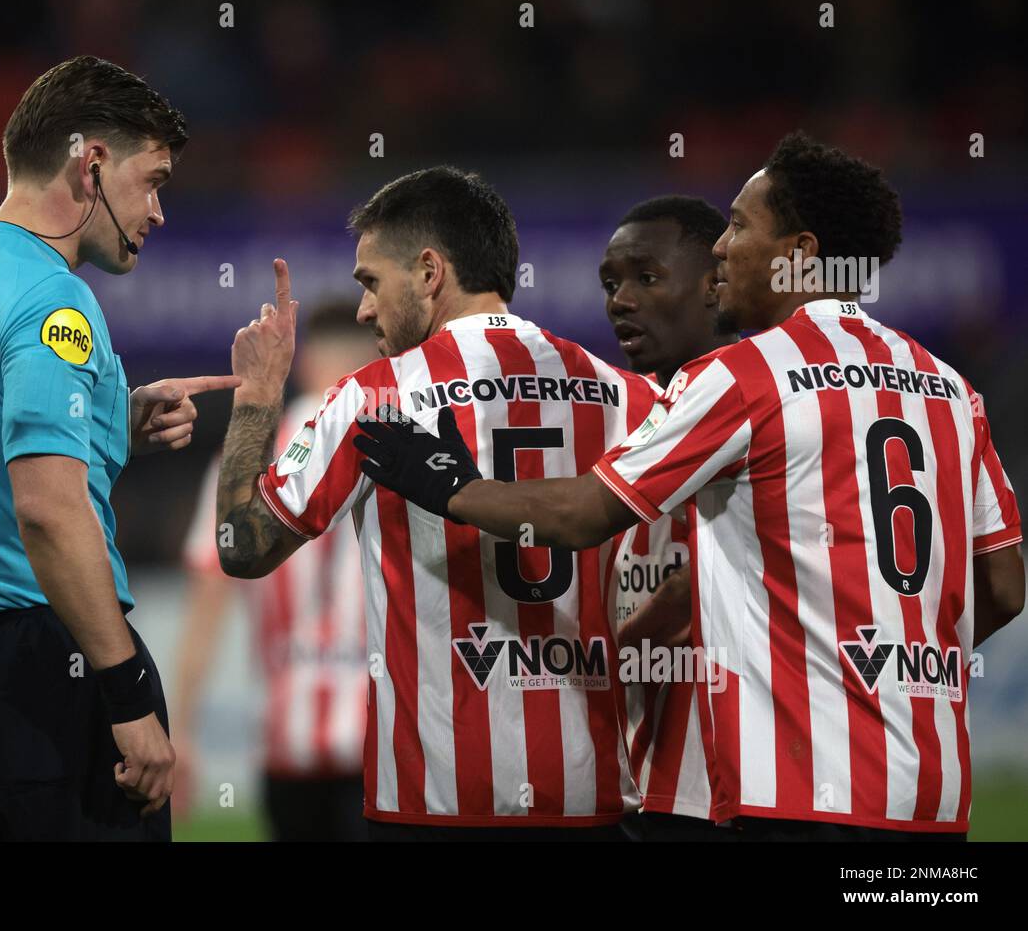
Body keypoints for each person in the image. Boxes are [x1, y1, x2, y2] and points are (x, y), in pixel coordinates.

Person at [354, 133, 1025, 840]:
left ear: (798, 253)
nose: (720, 249)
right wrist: (888, 653)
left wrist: (449, 485)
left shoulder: (747, 374)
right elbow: (1005, 587)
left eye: (738, 226)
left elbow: (582, 513)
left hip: (795, 792)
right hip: (933, 793)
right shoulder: (951, 390)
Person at [214, 167, 660, 840]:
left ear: (428, 272)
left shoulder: (373, 398)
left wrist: (255, 399)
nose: (363, 310)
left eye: (372, 282)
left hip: (433, 806)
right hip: (591, 796)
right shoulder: (632, 397)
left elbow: (241, 549)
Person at [0, 56, 238, 840]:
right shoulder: (54, 298)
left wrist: (112, 423)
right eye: (154, 179)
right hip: (47, 667)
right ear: (91, 163)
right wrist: (126, 691)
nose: (159, 211)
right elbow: (44, 508)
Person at [172, 301, 377, 841]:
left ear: (304, 361)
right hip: (384, 750)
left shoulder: (243, 465)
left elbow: (205, 610)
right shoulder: (408, 452)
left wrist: (182, 731)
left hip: (286, 743)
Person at [597, 195, 737, 840]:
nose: (621, 300)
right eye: (611, 283)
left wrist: (589, 669)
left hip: (724, 787)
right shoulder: (629, 415)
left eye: (647, 278)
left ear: (715, 286)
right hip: (645, 779)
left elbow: (696, 588)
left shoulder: (754, 402)